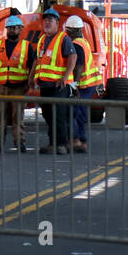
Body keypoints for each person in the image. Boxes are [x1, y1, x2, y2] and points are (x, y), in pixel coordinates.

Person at [0, 14, 36, 152]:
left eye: (15, 28)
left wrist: (30, 81)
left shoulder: (26, 46)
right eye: (10, 28)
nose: (12, 30)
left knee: (17, 116)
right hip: (2, 86)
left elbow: (33, 64)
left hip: (19, 86)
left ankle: (20, 142)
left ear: (20, 29)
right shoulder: (0, 45)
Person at [31, 8, 76, 155]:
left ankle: (61, 145)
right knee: (48, 115)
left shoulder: (63, 38)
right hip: (45, 85)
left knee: (58, 116)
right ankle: (53, 144)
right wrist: (32, 77)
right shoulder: (42, 40)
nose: (47, 22)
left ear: (57, 23)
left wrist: (65, 77)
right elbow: (37, 60)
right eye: (45, 20)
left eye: (50, 20)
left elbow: (73, 57)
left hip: (59, 86)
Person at [65, 15, 101, 152]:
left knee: (73, 113)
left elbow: (78, 67)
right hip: (89, 84)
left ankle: (76, 140)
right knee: (80, 113)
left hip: (83, 85)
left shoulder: (76, 45)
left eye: (67, 30)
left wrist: (74, 85)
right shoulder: (84, 42)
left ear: (71, 30)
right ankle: (81, 141)